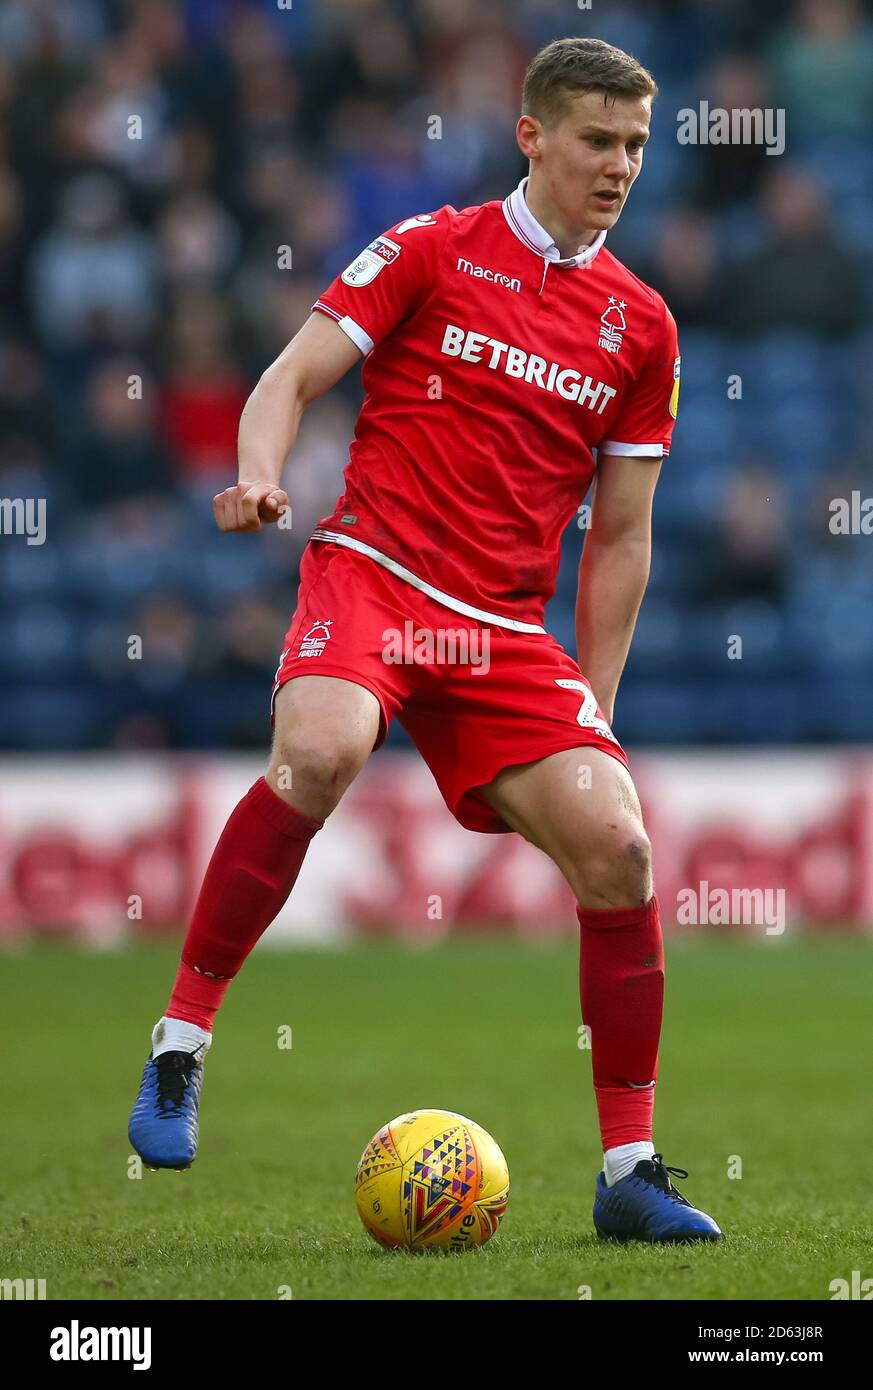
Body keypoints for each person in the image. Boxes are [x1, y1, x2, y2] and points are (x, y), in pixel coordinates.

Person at [129, 35, 721, 1244]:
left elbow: (619, 539)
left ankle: (630, 1169)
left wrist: (594, 709)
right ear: (534, 136)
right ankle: (181, 1044)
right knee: (322, 752)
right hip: (376, 575)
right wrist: (255, 475)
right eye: (598, 142)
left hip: (499, 631)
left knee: (622, 850)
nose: (620, 168)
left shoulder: (643, 327)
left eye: (637, 148)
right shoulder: (430, 248)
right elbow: (289, 378)